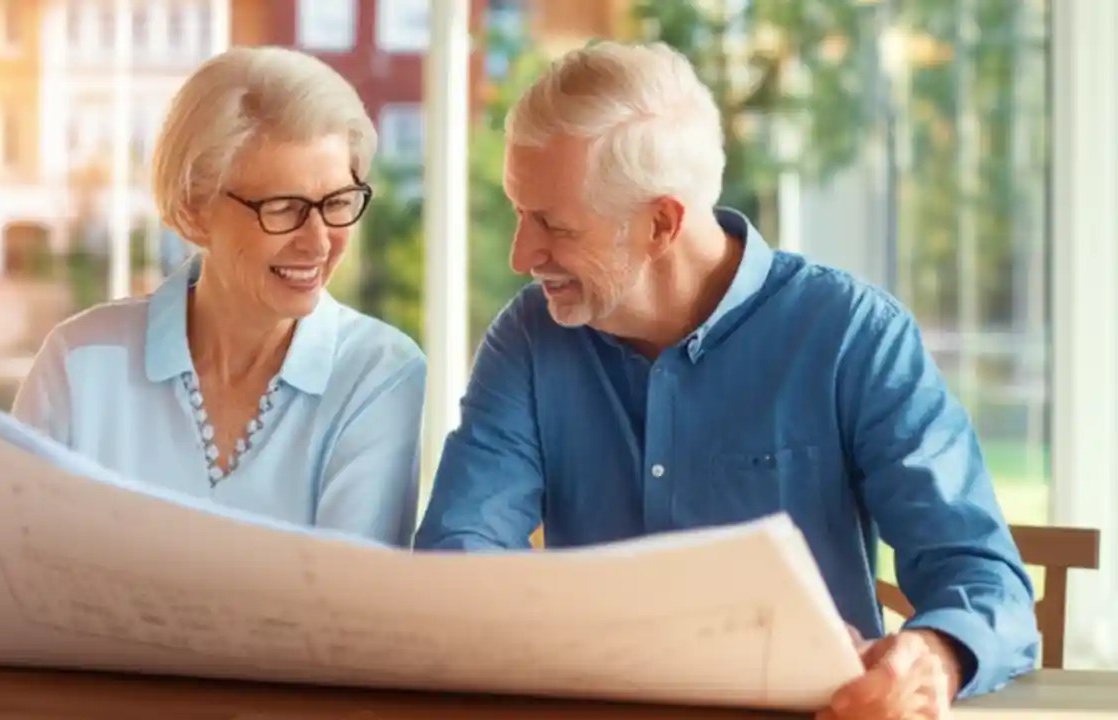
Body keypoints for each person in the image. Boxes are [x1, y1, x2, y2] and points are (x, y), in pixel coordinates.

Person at [414, 41, 1038, 719]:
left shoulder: (852, 335)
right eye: (518, 211)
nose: (521, 255)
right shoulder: (531, 338)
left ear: (660, 223)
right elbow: (459, 560)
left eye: (553, 226)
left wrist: (936, 654)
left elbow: (983, 578)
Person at [0, 46, 426, 653]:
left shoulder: (380, 374)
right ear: (196, 211)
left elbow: (353, 623)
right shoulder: (80, 361)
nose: (319, 241)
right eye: (282, 208)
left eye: (337, 203)